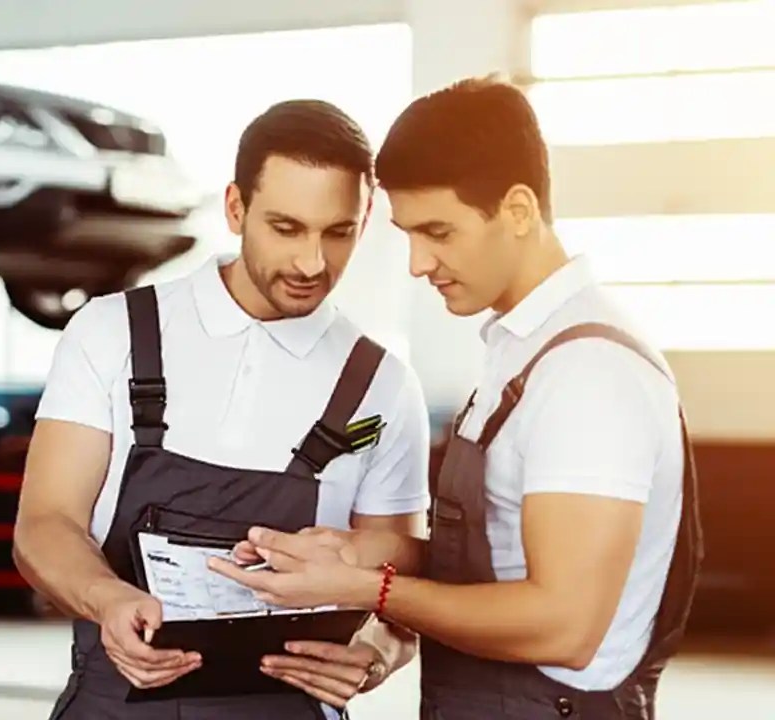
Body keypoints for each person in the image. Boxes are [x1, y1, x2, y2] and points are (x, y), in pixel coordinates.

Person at [211, 76, 703, 719]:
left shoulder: (589, 375)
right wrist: (365, 550)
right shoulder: (524, 348)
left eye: (438, 232)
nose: (418, 263)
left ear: (519, 211)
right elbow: (498, 556)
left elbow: (563, 626)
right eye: (408, 233)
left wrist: (369, 588)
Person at [13, 99, 433, 719]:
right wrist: (106, 598)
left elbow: (402, 586)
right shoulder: (112, 333)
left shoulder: (381, 386)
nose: (311, 263)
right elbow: (43, 525)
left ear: (365, 219)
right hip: (117, 702)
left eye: (338, 232)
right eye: (286, 228)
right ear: (236, 208)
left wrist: (375, 654)